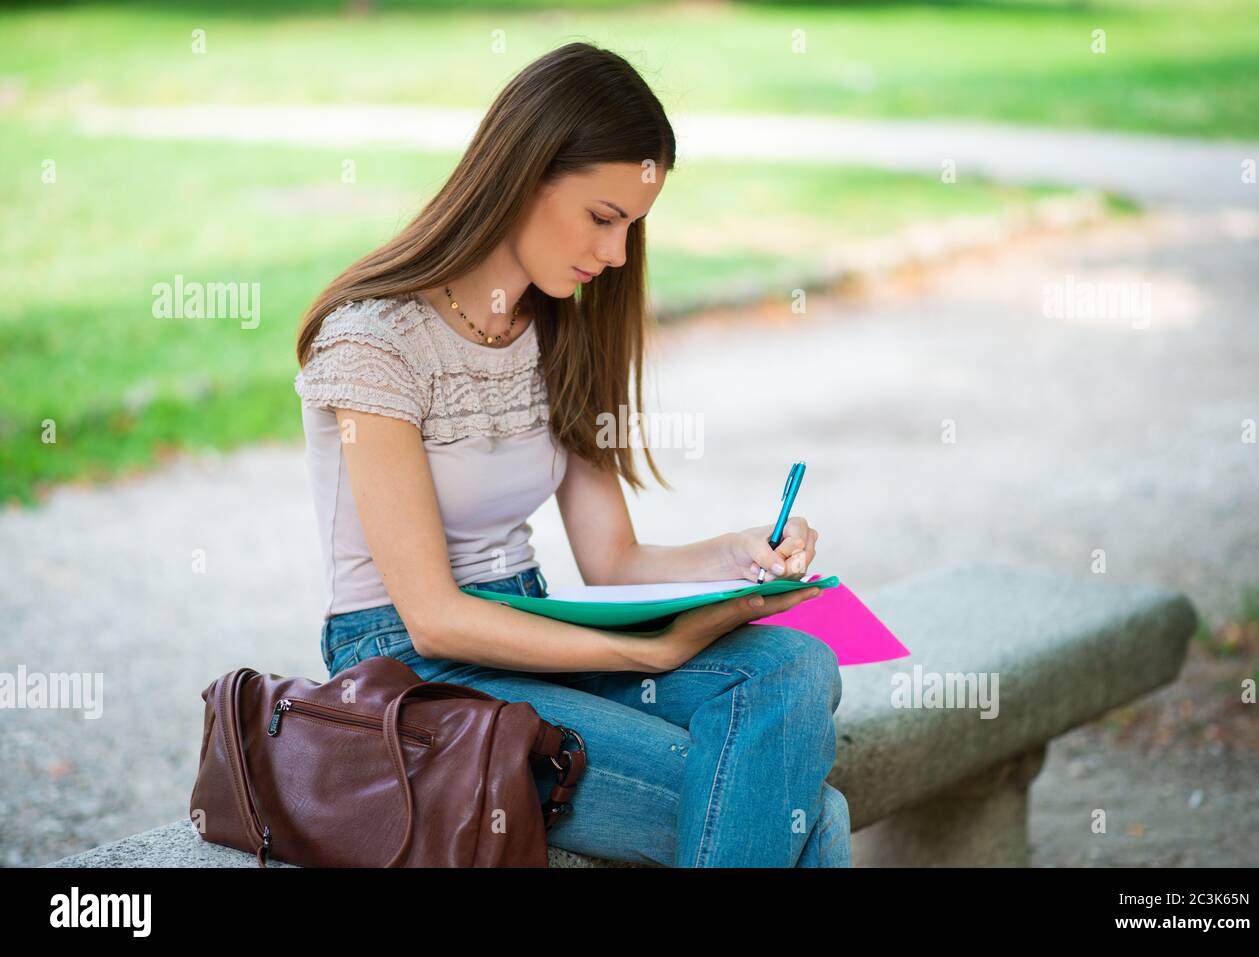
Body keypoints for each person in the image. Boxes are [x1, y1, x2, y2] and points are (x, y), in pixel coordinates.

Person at [292, 41, 849, 867]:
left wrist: (739, 554)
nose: (619, 255)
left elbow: (613, 559)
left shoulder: (558, 330)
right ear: (524, 173)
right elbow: (433, 614)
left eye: (632, 225)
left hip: (536, 626)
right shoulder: (373, 343)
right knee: (814, 815)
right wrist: (644, 651)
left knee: (798, 662)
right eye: (603, 217)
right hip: (410, 672)